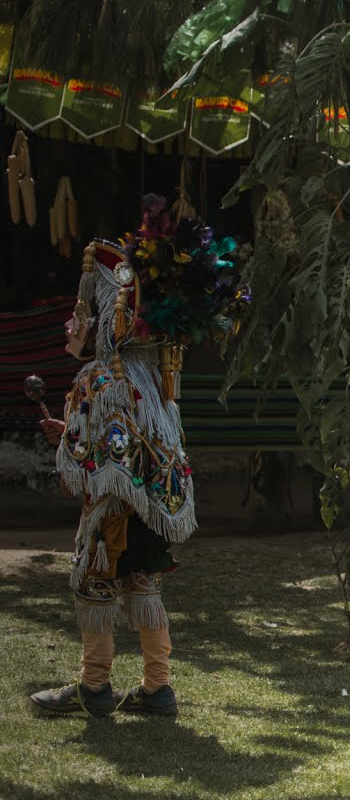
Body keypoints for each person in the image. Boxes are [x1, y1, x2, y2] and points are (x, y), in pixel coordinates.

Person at [30, 199, 245, 718]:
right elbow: (132, 437)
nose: (76, 324)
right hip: (156, 501)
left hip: (114, 501)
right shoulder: (158, 381)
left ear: (112, 317)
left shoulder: (101, 376)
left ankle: (95, 686)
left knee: (95, 578)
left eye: (88, 312)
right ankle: (157, 687)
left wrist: (66, 439)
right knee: (142, 581)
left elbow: (85, 457)